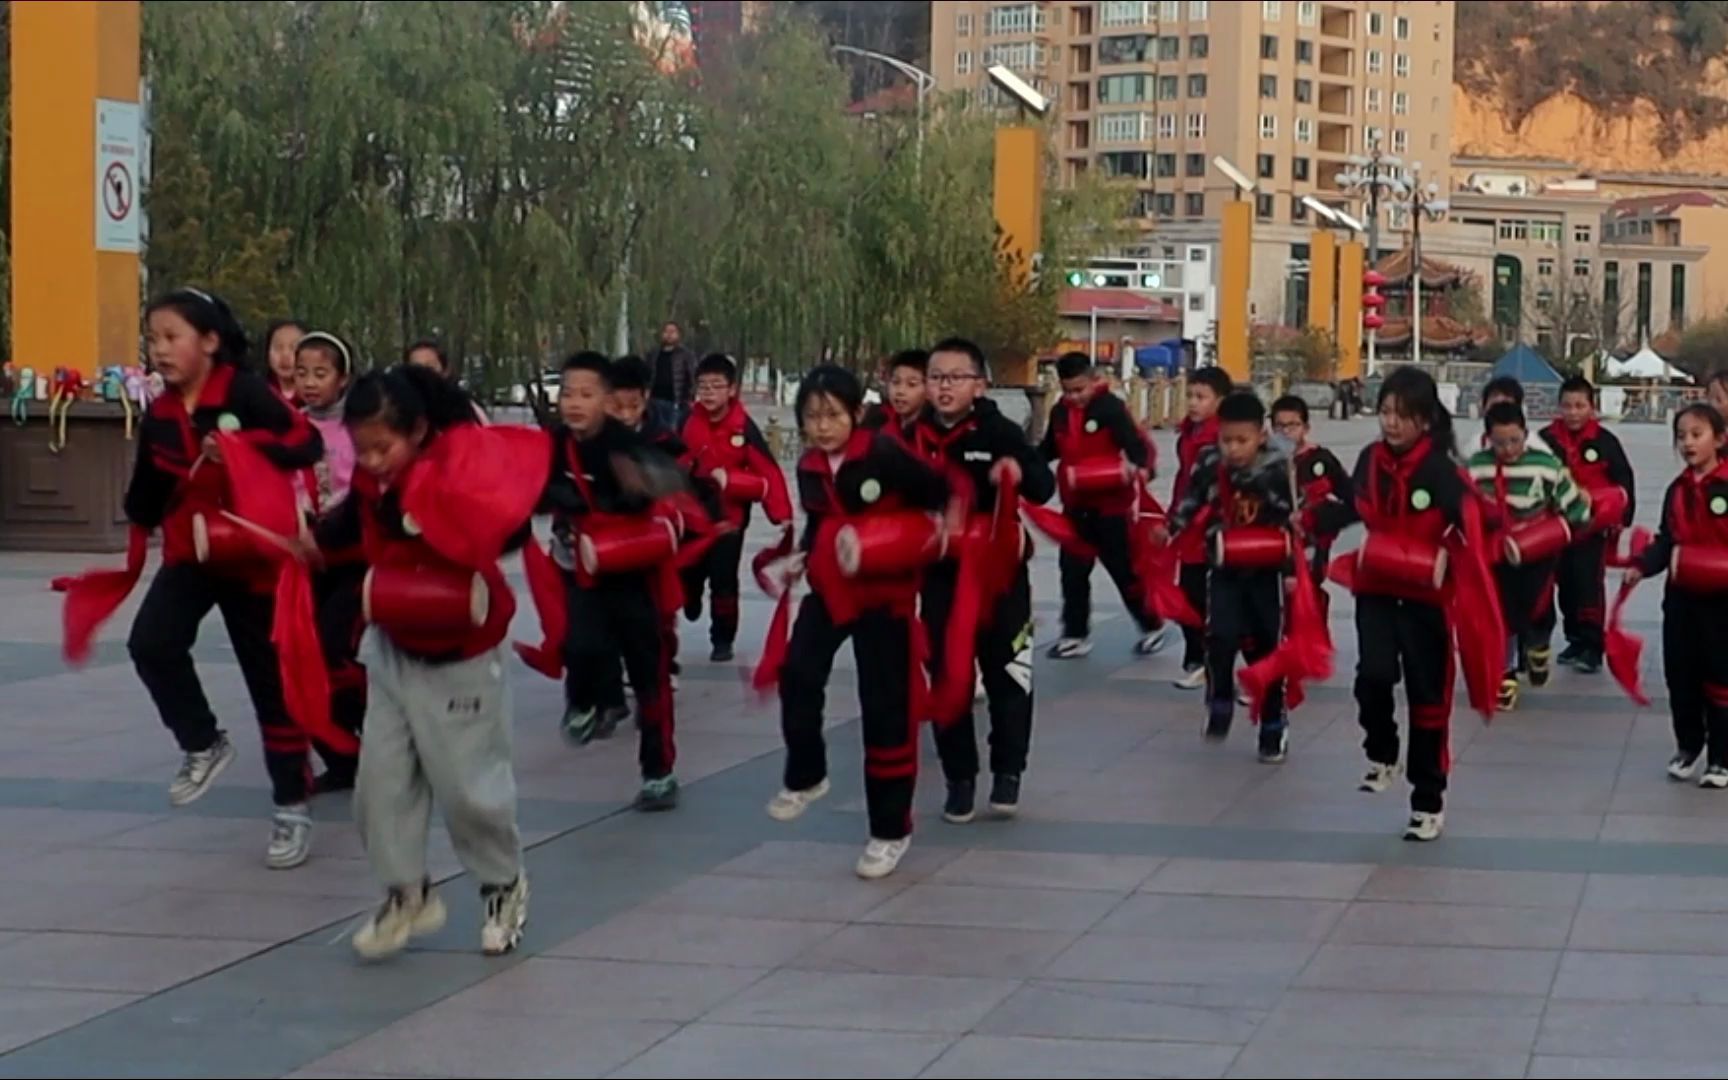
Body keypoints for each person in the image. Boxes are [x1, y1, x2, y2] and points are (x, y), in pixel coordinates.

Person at [314, 364, 542, 960]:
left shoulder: (459, 469)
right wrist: (314, 539)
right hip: (392, 644)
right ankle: (405, 894)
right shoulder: (373, 481)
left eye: (382, 448)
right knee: (380, 785)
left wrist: (430, 517)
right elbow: (349, 522)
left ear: (417, 431)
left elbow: (510, 528)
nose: (370, 461)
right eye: (360, 449)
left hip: (460, 649)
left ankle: (503, 884)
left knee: (469, 787)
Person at [124, 289, 324, 867]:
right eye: (153, 338)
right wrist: (134, 527)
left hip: (254, 558)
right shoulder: (161, 412)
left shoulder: (241, 391)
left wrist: (239, 443)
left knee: (271, 686)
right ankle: (202, 742)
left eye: (171, 337)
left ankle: (292, 805)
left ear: (208, 341)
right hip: (194, 552)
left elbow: (302, 441)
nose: (159, 349)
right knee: (151, 643)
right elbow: (148, 489)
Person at [766, 365, 955, 878]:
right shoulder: (808, 467)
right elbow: (817, 519)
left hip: (882, 597)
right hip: (830, 588)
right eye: (811, 417)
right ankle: (807, 773)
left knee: (885, 709)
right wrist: (804, 554)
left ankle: (889, 830)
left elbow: (935, 492)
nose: (822, 426)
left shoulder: (882, 454)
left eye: (832, 415)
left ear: (857, 413)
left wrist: (916, 537)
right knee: (798, 673)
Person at [1314, 366, 1502, 842]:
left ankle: (1427, 799)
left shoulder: (1441, 470)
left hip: (1426, 599)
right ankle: (1381, 750)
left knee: (1428, 700)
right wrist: (1312, 517)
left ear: (1425, 420)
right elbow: (1353, 508)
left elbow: (1476, 521)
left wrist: (1492, 535)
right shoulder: (1371, 460)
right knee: (1372, 676)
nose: (1391, 423)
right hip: (1376, 587)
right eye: (1386, 412)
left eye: (1403, 415)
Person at [911, 337, 1056, 823]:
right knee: (949, 679)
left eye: (955, 377)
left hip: (1000, 580)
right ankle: (959, 778)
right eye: (935, 377)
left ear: (979, 384)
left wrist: (1016, 469)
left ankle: (1008, 771)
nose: (944, 386)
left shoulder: (1000, 432)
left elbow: (1043, 486)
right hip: (941, 579)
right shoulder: (911, 437)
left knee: (1009, 675)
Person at [542, 352, 686, 812]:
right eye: (567, 393)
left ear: (606, 400)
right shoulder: (555, 444)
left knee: (649, 676)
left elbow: (668, 484)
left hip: (632, 574)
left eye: (586, 394)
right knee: (580, 643)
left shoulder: (625, 444)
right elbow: (534, 489)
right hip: (584, 567)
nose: (575, 403)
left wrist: (638, 487)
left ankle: (659, 771)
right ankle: (585, 703)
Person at [1165, 392, 1297, 761]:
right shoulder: (1209, 461)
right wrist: (1171, 528)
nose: (1234, 449)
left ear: (1261, 435)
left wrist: (1292, 573)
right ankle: (1219, 696)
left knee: (1265, 648)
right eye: (1227, 439)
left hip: (1265, 570)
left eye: (1242, 440)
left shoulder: (1278, 466)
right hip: (1224, 564)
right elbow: (1192, 500)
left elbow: (1292, 522)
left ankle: (1273, 723)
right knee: (1220, 635)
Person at [1038, 351, 1165, 659]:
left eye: (1079, 389)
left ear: (1094, 380)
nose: (1074, 396)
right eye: (1068, 390)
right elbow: (1048, 449)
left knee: (1124, 571)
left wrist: (1143, 469)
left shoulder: (1111, 409)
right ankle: (1075, 633)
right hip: (1076, 506)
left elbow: (1136, 445)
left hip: (1111, 507)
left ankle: (1152, 624)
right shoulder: (1059, 413)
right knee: (1072, 571)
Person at [1627, 404, 1728, 789]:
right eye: (1682, 435)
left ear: (1718, 439)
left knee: (1720, 679)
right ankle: (1688, 746)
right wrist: (1642, 565)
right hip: (1682, 599)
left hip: (1722, 603)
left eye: (1696, 434)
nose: (1687, 442)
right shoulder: (1678, 490)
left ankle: (1721, 758)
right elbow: (1666, 541)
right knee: (1681, 676)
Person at [1468, 401, 1591, 711]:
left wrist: (1572, 524)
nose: (1508, 449)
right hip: (1498, 554)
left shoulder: (1546, 466)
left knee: (1536, 607)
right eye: (1500, 443)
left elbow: (1574, 506)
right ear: (1488, 439)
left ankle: (1538, 648)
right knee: (1501, 612)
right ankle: (1505, 674)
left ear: (1525, 433)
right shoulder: (1476, 467)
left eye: (1514, 440)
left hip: (1538, 552)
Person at [681, 353, 793, 662]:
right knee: (687, 569)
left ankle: (722, 638)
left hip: (730, 519)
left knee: (724, 580)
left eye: (717, 386)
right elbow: (671, 461)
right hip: (694, 515)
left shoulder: (744, 427)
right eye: (703, 386)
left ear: (732, 390)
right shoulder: (688, 423)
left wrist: (780, 514)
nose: (709, 393)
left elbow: (767, 471)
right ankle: (689, 596)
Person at [294, 331, 366, 793]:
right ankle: (341, 756)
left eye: (321, 373)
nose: (310, 382)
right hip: (304, 554)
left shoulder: (359, 428)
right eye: (302, 373)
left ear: (343, 380)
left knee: (335, 642)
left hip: (352, 554)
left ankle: (366, 733)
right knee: (304, 655)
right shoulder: (289, 426)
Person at [1541, 376, 1635, 674]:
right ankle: (1575, 639)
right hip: (1556, 529)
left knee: (1588, 586)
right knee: (1564, 586)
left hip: (1591, 530)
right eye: (1567, 405)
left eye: (1580, 405)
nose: (1573, 412)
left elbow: (1624, 481)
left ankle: (1593, 645)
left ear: (1591, 408)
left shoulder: (1605, 442)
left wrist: (1621, 517)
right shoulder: (1545, 440)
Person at [1170, 366, 1234, 688]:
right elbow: (1184, 482)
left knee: (1203, 595)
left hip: (1209, 528)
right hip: (1189, 528)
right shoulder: (1188, 434)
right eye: (1190, 396)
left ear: (1219, 401)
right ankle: (1198, 657)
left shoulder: (1220, 439)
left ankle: (1208, 659)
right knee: (1190, 593)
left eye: (1201, 397)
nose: (1193, 403)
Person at [1271, 395, 1352, 612]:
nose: (1286, 431)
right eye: (1279, 426)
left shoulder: (1321, 460)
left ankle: (1312, 639)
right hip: (1276, 543)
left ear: (1305, 427)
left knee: (1309, 596)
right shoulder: (1265, 462)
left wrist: (1322, 516)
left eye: (1293, 425)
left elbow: (1351, 498)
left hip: (1312, 542)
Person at [863, 349, 928, 446]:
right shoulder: (876, 419)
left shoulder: (935, 431)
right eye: (895, 382)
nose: (900, 391)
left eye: (912, 384)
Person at [1479, 375, 1552, 454]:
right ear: (1484, 407)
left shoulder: (1537, 448)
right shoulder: (1472, 447)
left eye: (1506, 407)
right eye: (1495, 407)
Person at [650, 321, 700, 424]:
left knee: (672, 432)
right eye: (666, 331)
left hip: (676, 402)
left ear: (678, 334)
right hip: (654, 401)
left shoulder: (685, 354)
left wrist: (689, 398)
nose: (669, 335)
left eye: (672, 332)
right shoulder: (653, 354)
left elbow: (693, 376)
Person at [262, 318, 307, 405]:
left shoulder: (314, 394)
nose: (285, 355)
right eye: (278, 347)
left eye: (293, 348)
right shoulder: (259, 391)